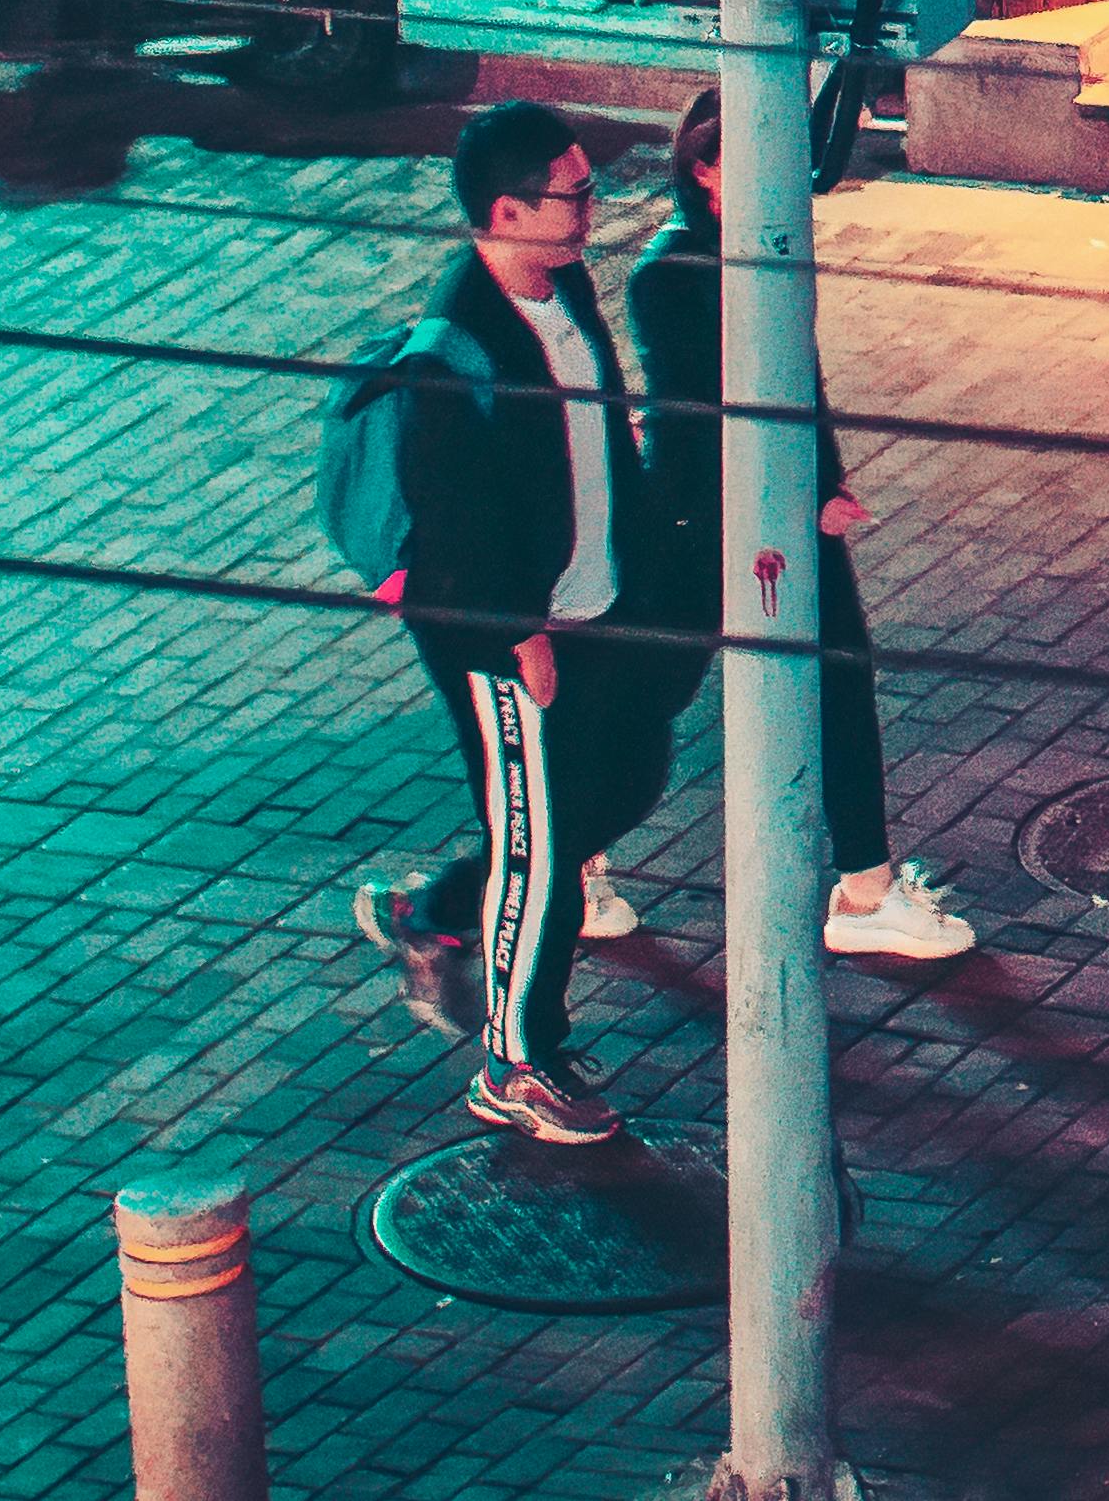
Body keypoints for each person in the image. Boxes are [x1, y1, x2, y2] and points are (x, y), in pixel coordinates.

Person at [346, 102, 663, 1145]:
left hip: (593, 609)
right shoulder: (456, 348)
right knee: (538, 849)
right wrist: (518, 633)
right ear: (507, 210)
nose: (592, 207)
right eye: (574, 193)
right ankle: (516, 1061)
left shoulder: (564, 287)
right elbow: (454, 522)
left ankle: (438, 906)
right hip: (505, 639)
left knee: (619, 784)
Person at [621, 86, 977, 963]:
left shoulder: (765, 249)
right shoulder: (670, 275)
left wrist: (826, 481)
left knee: (838, 682)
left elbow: (797, 384)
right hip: (700, 518)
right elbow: (701, 417)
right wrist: (804, 491)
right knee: (647, 695)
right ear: (705, 173)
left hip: (782, 512)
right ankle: (567, 857)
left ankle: (866, 887)